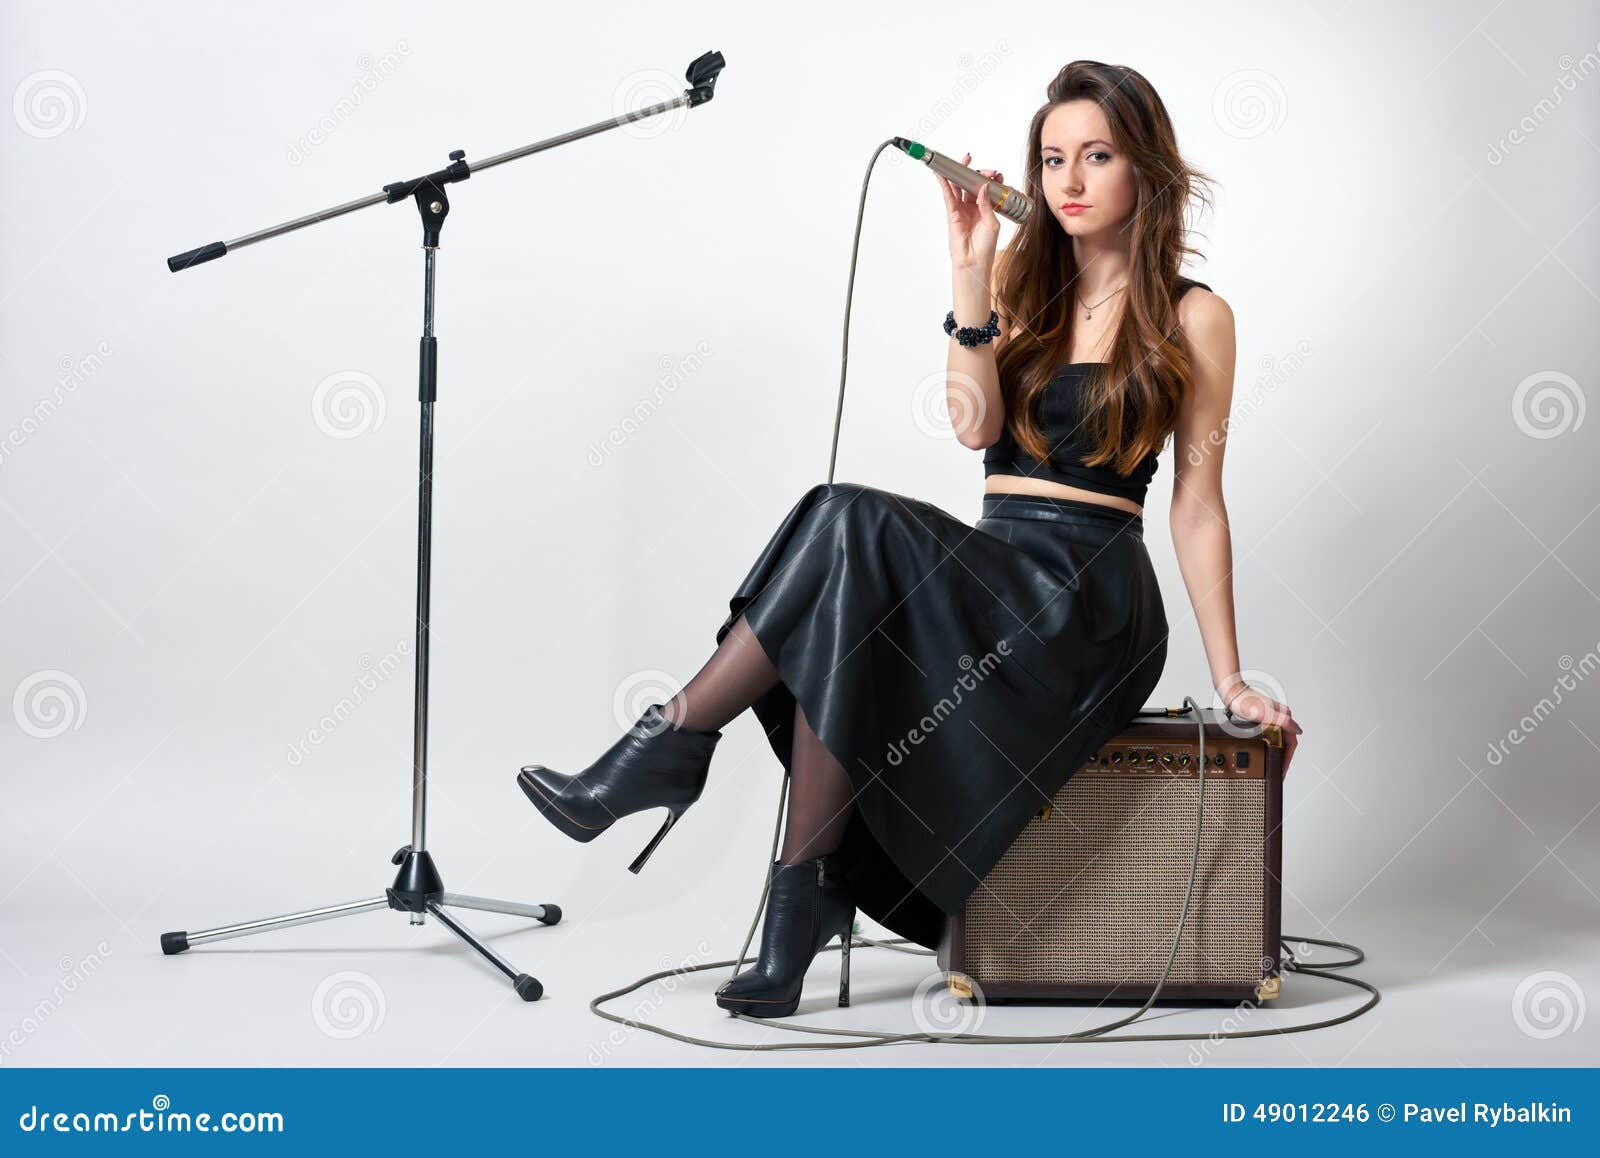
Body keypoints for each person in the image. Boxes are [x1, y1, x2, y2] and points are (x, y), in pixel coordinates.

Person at [515, 60, 1303, 1019]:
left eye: (1097, 156)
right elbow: (974, 429)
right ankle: (799, 902)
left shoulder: (1194, 314)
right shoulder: (1020, 287)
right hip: (999, 566)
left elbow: (1198, 503)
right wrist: (969, 269)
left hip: (1088, 602)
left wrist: (1230, 678)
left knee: (848, 518)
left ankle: (672, 745)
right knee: (848, 591)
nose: (1069, 180)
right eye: (1052, 158)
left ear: (1146, 166)